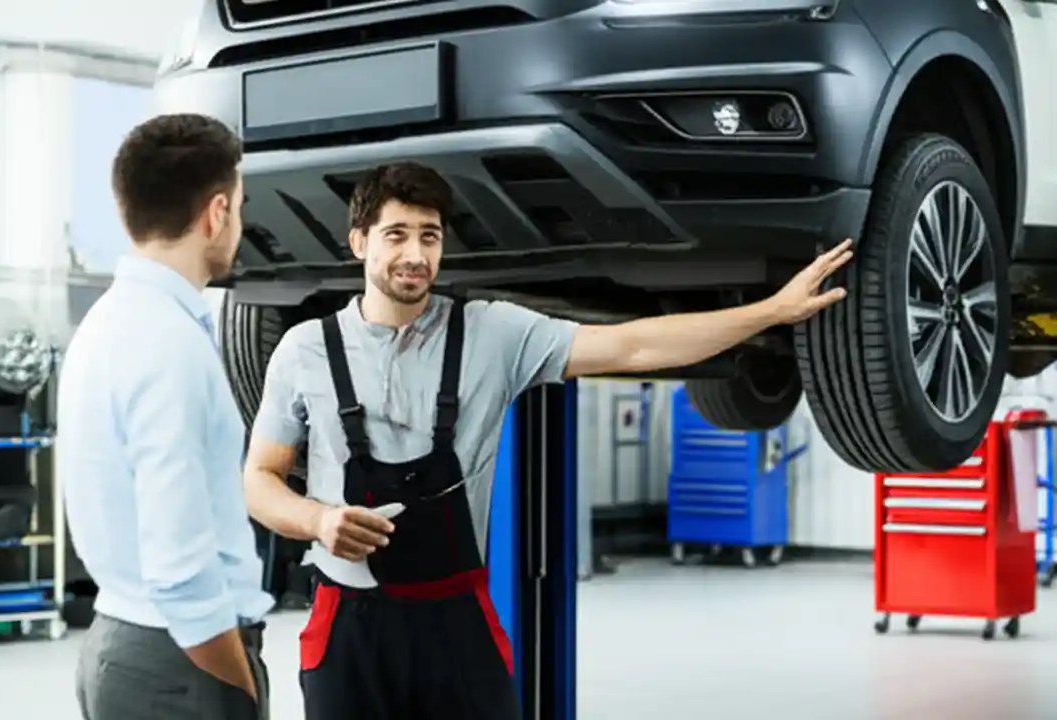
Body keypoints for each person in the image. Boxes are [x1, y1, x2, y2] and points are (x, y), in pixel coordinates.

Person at [242, 161, 852, 719]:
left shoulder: (492, 334)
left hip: (456, 625)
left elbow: (632, 345)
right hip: (349, 625)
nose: (415, 254)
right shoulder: (305, 351)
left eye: (429, 236)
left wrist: (771, 311)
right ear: (359, 243)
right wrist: (318, 521)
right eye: (396, 234)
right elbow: (260, 481)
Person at [58, 113, 274, 720]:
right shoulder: (168, 346)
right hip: (183, 661)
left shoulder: (106, 324)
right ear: (216, 213)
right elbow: (179, 566)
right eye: (240, 206)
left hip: (125, 636)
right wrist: (240, 685)